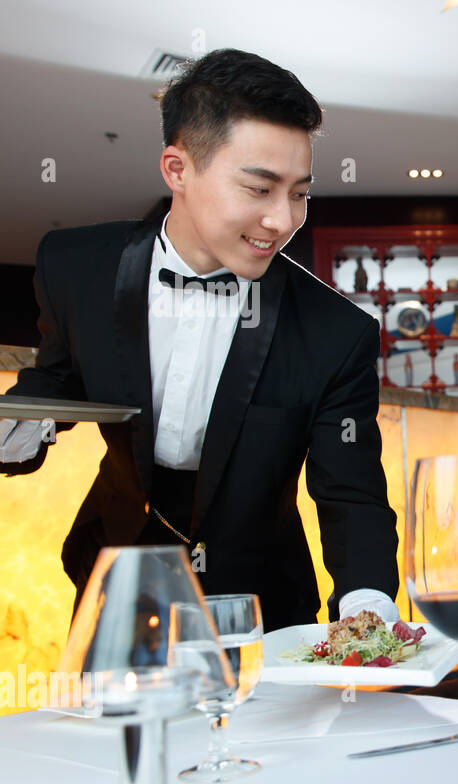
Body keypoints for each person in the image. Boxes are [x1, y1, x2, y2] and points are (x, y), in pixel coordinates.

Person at [0, 49, 399, 631]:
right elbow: (59, 377)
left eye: (300, 193)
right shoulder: (74, 266)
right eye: (260, 189)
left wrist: (368, 610)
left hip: (264, 602)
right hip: (113, 581)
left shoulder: (337, 332)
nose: (284, 219)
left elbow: (352, 493)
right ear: (177, 169)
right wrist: (21, 425)